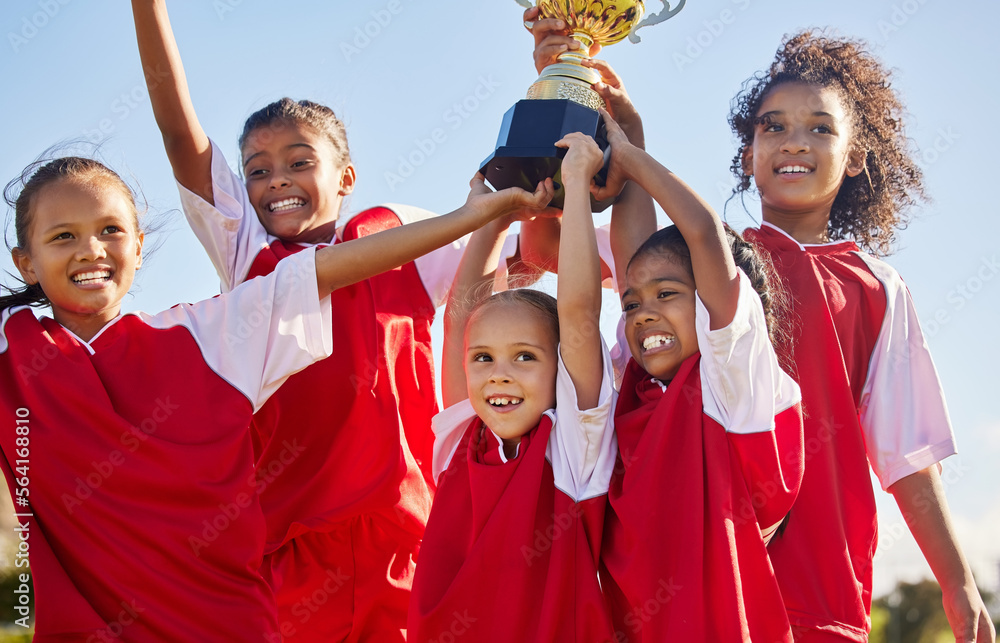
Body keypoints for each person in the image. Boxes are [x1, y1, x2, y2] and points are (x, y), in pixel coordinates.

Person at [0, 155, 550, 641]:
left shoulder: (209, 332)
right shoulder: (14, 350)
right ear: (26, 262)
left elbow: (325, 271)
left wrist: (475, 215)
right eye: (62, 237)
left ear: (139, 248)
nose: (91, 250)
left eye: (111, 229)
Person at [129, 2, 544, 637]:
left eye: (300, 161)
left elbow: (529, 247)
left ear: (345, 175)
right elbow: (178, 130)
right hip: (289, 544)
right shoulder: (247, 253)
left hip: (406, 532)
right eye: (258, 171)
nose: (277, 182)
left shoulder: (398, 233)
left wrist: (562, 83)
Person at [727, 32, 995, 643]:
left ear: (854, 157)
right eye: (774, 126)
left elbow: (906, 454)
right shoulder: (704, 256)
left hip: (824, 581)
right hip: (707, 567)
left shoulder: (878, 286)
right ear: (748, 153)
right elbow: (561, 250)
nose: (795, 140)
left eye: (820, 128)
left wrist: (957, 582)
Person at [591, 105, 804, 641]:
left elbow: (705, 235)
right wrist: (626, 138)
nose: (643, 314)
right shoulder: (636, 389)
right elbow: (631, 259)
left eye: (668, 296)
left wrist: (636, 159)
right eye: (632, 305)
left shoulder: (728, 383)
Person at [408, 135, 617, 642]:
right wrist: (491, 220)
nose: (499, 373)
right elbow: (462, 319)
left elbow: (579, 311)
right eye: (484, 359)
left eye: (525, 356)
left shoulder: (574, 442)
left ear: (562, 366)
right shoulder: (462, 439)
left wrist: (577, 190)